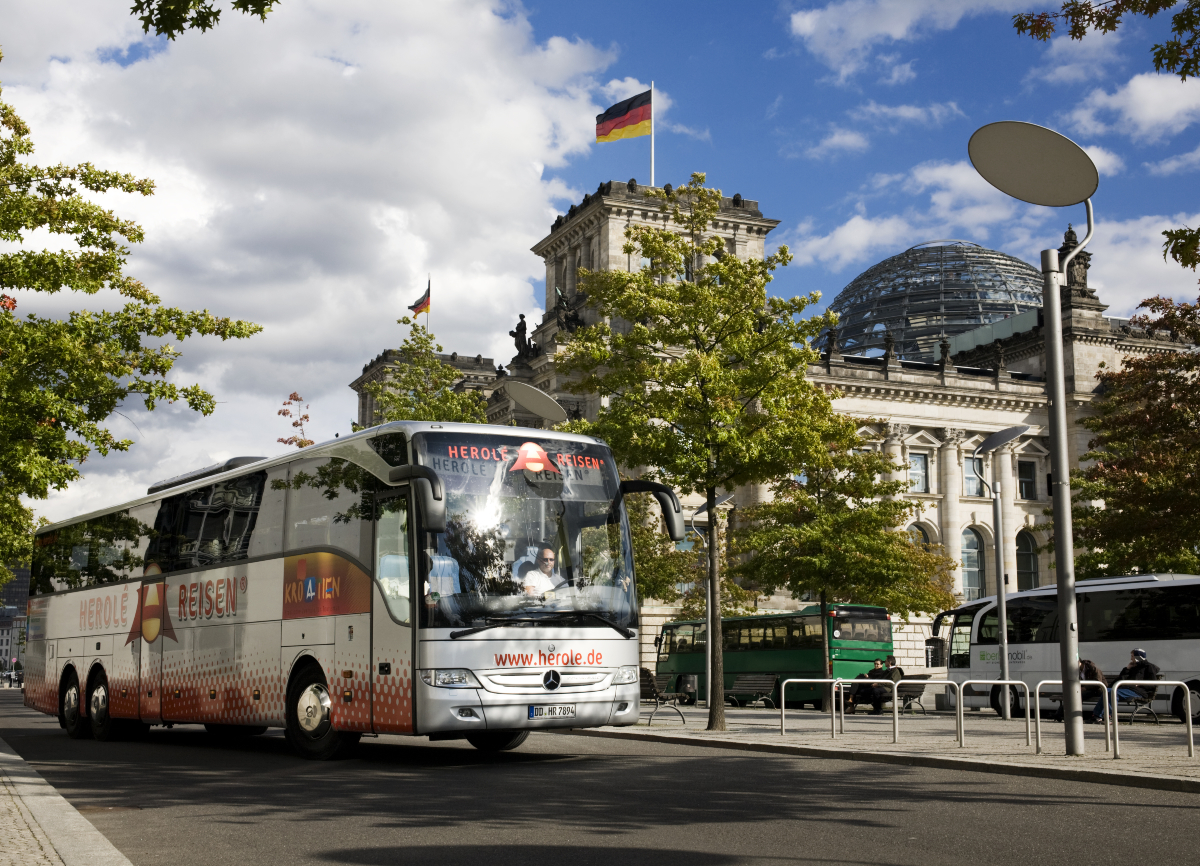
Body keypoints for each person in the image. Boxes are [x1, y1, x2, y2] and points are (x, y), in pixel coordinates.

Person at [1093, 649, 1160, 723]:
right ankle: (1096, 716)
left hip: (1139, 691)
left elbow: (1153, 684)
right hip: (1127, 688)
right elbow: (1121, 679)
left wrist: (1140, 684)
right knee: (1107, 691)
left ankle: (1108, 716)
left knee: (1113, 693)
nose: (1131, 658)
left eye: (1132, 656)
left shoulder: (1149, 667)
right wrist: (1127, 669)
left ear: (1138, 657)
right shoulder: (1133, 667)